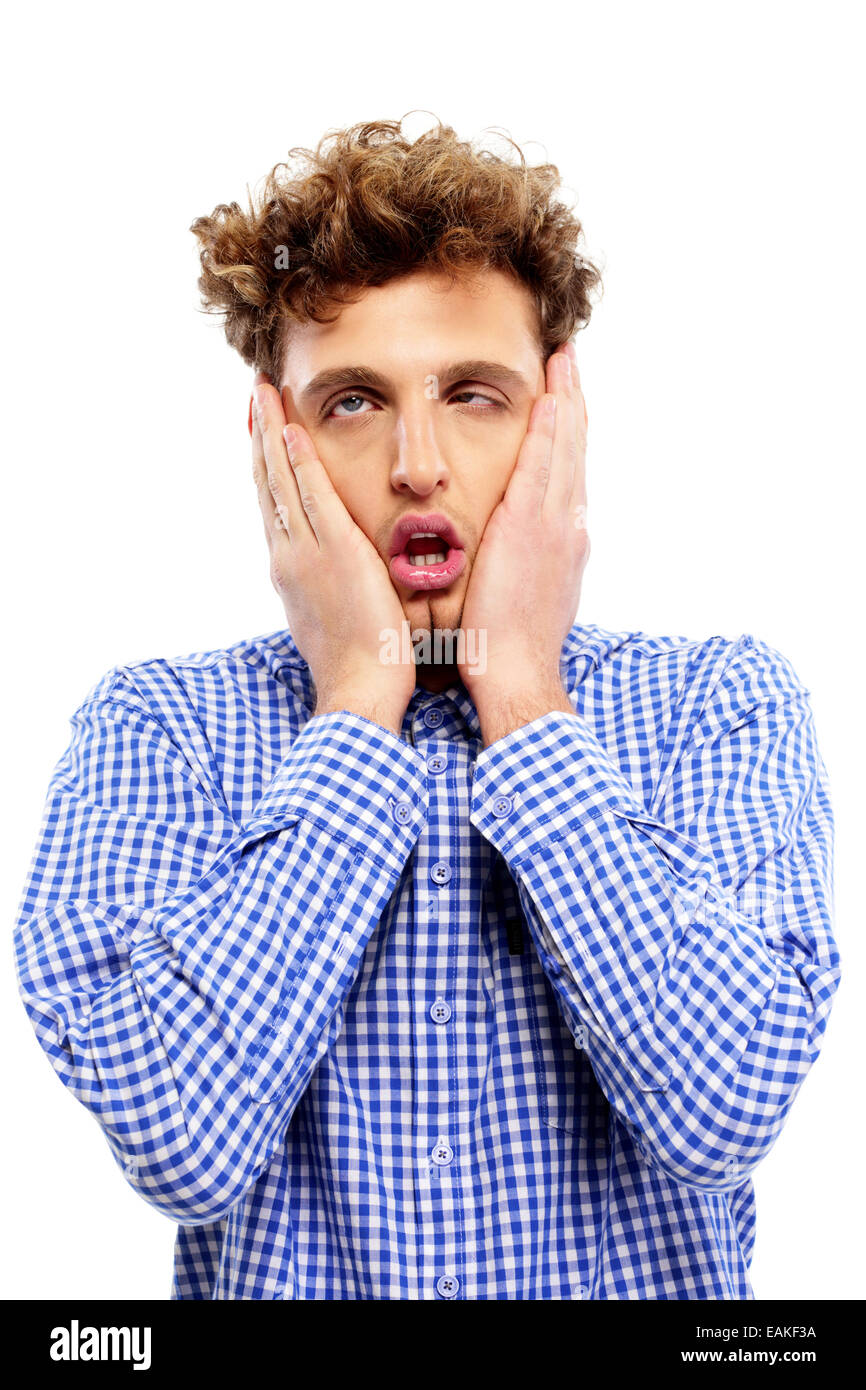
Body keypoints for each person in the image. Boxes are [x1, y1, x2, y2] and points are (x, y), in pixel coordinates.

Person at [13, 117, 840, 1301]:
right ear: (273, 440)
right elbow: (177, 1140)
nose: (417, 463)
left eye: (473, 394)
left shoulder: (716, 701)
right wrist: (356, 701)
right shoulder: (160, 727)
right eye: (352, 401)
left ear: (555, 420)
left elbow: (724, 1106)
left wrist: (523, 697)